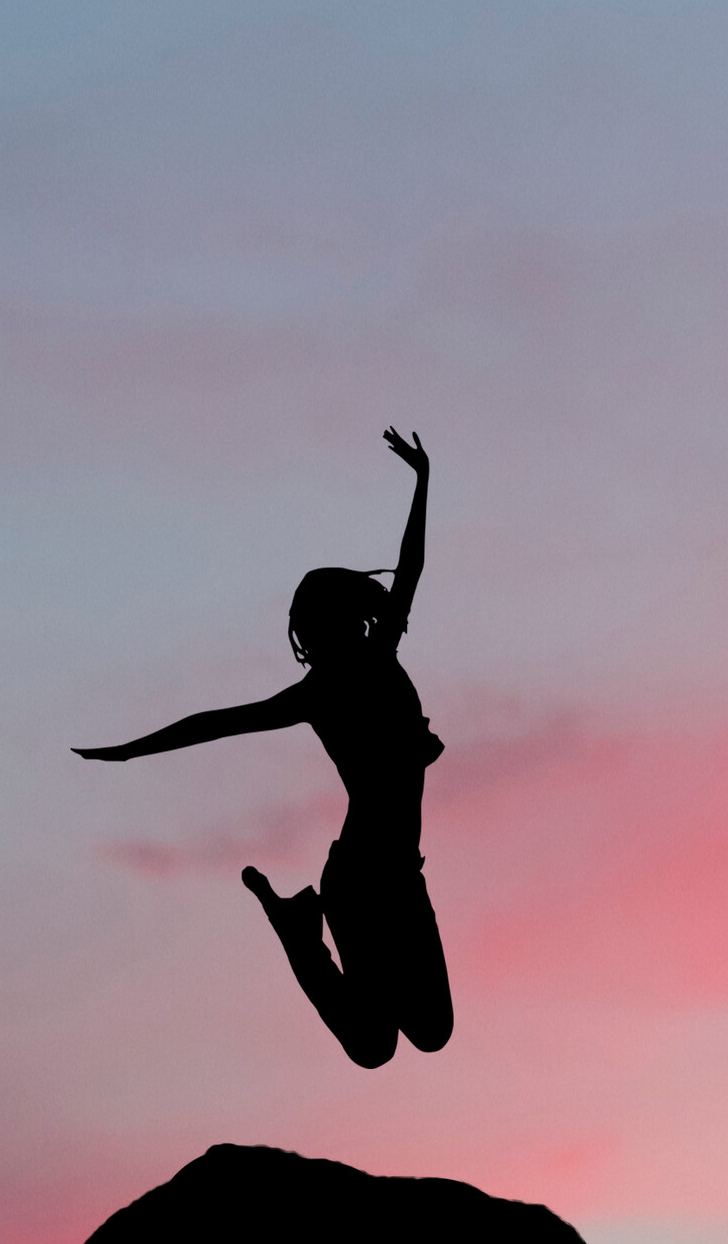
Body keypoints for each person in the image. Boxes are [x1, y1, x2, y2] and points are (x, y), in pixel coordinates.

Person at [74, 428, 453, 1066]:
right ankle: (298, 933)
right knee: (373, 1046)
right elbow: (217, 722)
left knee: (431, 1032)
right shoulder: (322, 693)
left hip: (401, 875)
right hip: (360, 881)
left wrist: (424, 480)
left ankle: (310, 936)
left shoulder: (379, 652)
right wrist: (131, 751)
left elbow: (410, 566)